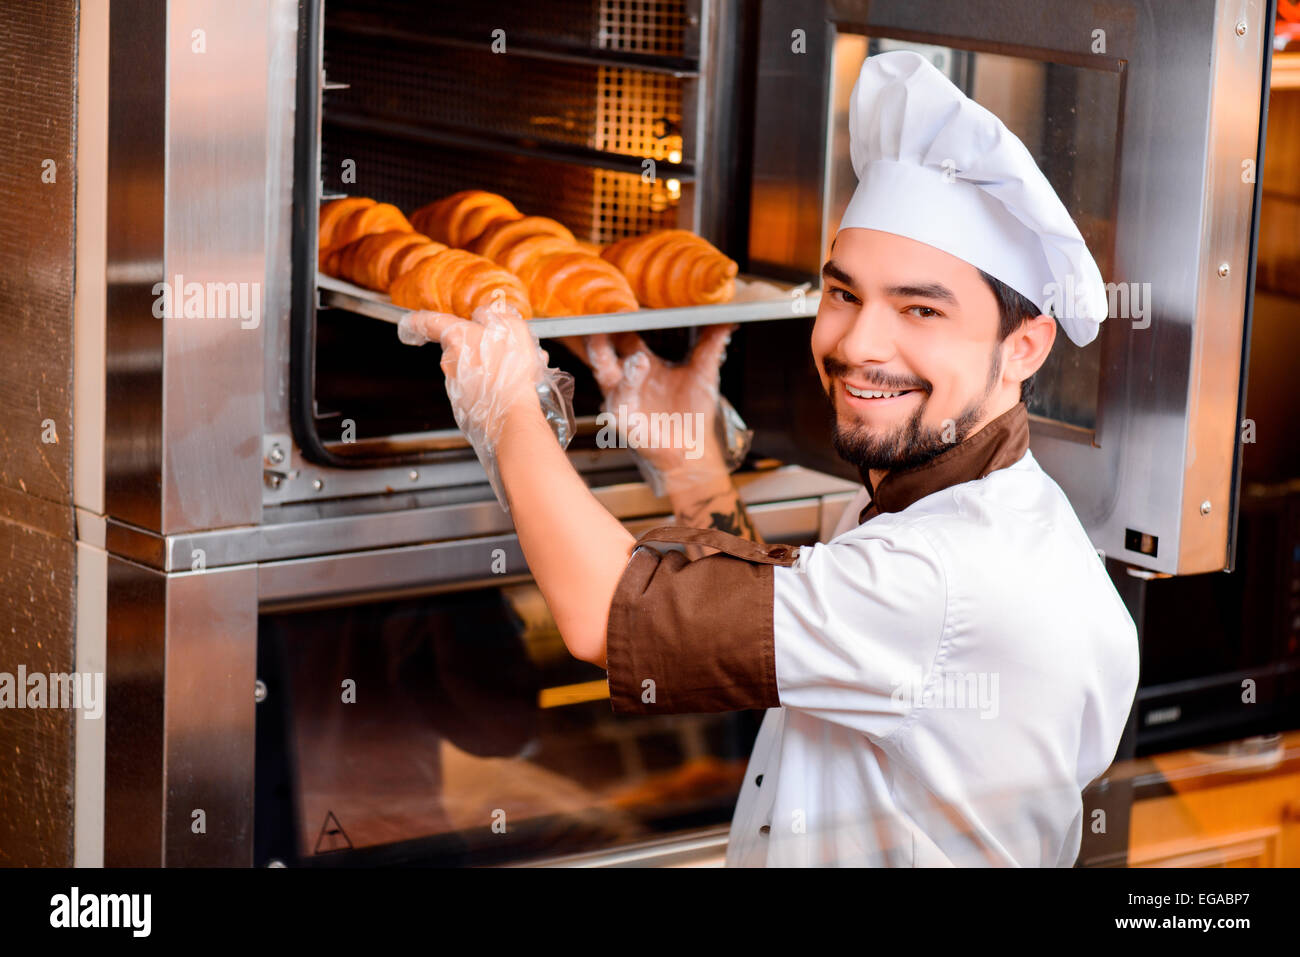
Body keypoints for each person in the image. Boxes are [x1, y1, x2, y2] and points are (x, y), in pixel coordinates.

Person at [397, 50, 1140, 866]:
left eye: (921, 308)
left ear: (1025, 347)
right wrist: (694, 472)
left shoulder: (948, 576)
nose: (859, 344)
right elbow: (806, 632)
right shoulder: (973, 507)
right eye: (844, 293)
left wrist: (505, 400)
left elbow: (605, 614)